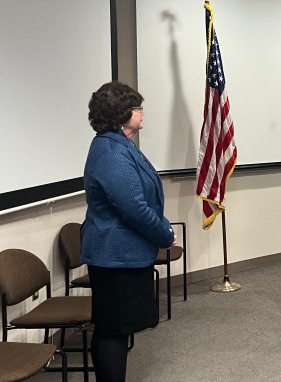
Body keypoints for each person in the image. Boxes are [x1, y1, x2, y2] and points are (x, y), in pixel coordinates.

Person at [82, 82, 176, 382]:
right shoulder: (111, 151)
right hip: (115, 257)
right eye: (137, 108)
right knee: (114, 331)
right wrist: (165, 233)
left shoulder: (119, 144)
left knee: (114, 329)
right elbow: (133, 207)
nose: (142, 113)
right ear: (121, 114)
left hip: (120, 255)